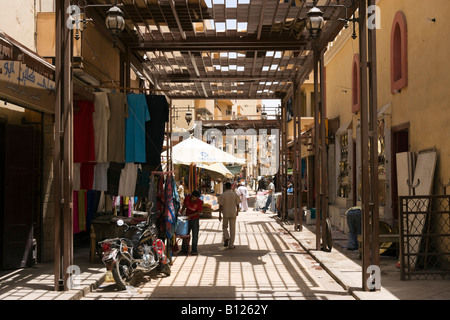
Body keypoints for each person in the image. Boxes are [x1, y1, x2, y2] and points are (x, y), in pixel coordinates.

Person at [218, 182, 241, 249]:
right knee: (232, 228)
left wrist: (219, 214)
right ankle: (231, 244)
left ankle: (226, 237)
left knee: (224, 226)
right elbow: (237, 204)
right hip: (233, 213)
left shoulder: (223, 195)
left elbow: (221, 206)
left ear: (225, 187)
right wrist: (237, 211)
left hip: (225, 213)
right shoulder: (235, 194)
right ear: (231, 187)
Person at [180, 190, 203, 255]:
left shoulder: (199, 202)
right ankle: (184, 249)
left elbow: (199, 212)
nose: (193, 199)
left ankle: (194, 250)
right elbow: (184, 205)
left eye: (195, 198)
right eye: (192, 197)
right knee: (185, 234)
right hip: (187, 219)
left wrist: (190, 216)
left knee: (195, 235)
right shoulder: (187, 198)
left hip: (195, 219)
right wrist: (181, 212)